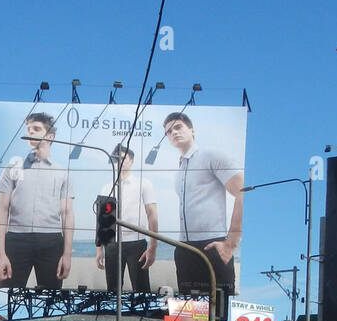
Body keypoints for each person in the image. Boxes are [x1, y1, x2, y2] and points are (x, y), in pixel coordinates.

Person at [162, 111, 243, 300]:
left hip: (213, 245)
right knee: (187, 315)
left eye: (178, 127)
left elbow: (243, 192)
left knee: (215, 314)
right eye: (168, 131)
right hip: (185, 248)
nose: (173, 132)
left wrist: (231, 243)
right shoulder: (179, 168)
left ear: (192, 129)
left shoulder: (210, 155)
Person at [0, 113, 74, 289]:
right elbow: (1, 209)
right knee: (11, 297)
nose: (31, 132)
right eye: (28, 129)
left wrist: (67, 254)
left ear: (50, 136)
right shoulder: (12, 168)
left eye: (36, 129)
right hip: (16, 239)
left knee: (51, 301)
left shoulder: (62, 172)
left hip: (51, 242)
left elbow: (67, 214)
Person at [96, 144, 158, 293]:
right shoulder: (107, 187)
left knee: (141, 289)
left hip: (136, 243)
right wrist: (99, 249)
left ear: (131, 161)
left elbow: (152, 215)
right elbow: (103, 220)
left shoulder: (144, 184)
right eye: (116, 159)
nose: (120, 162)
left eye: (123, 158)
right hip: (112, 244)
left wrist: (153, 246)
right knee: (113, 289)